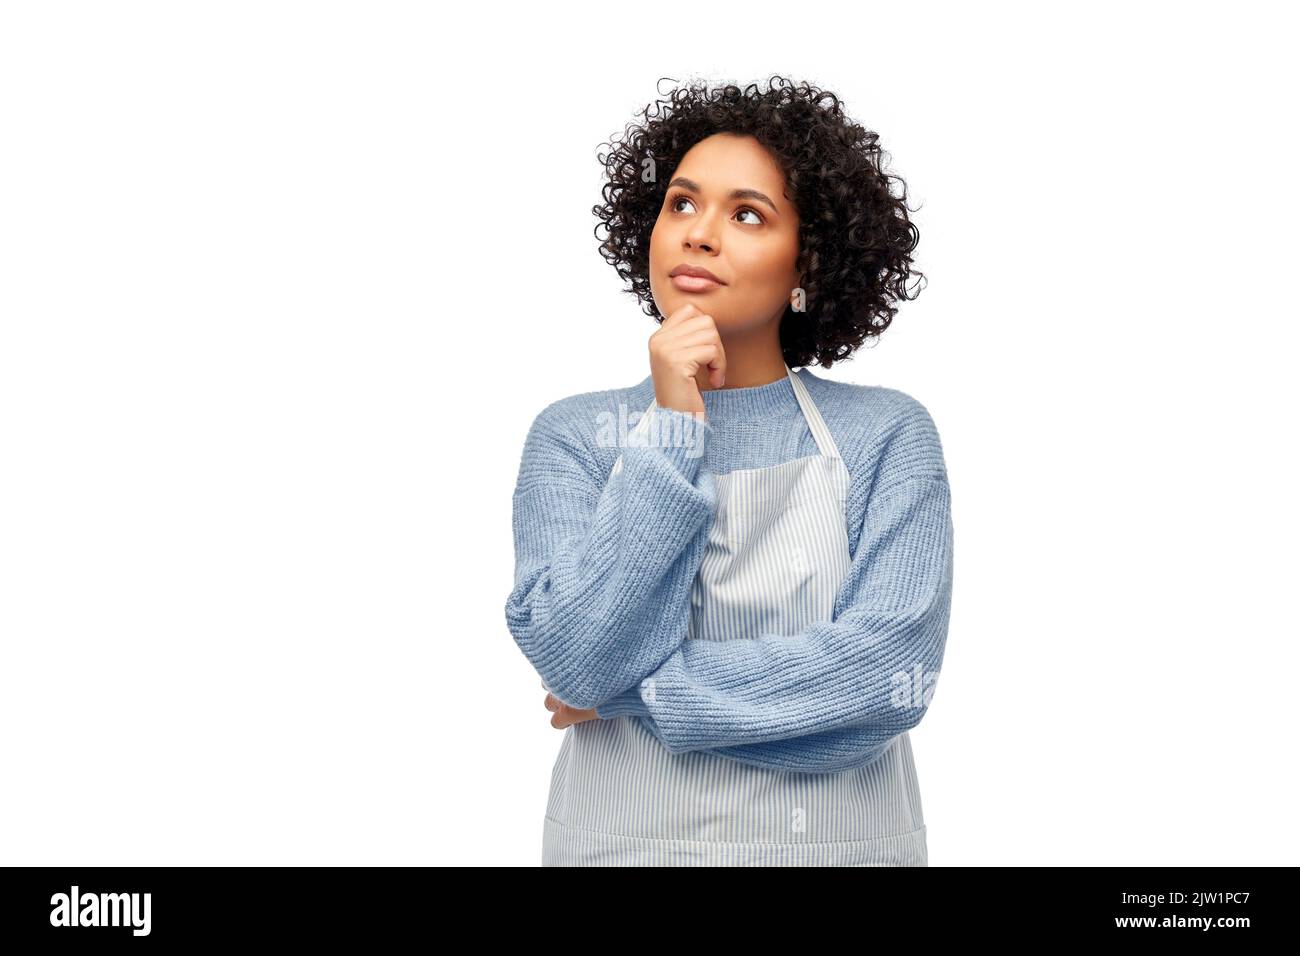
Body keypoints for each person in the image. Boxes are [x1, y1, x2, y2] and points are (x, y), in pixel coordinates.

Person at [505, 76, 953, 866]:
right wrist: (674, 424)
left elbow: (884, 679)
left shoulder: (887, 435)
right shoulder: (574, 438)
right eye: (681, 203)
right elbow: (576, 652)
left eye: (747, 214)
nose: (699, 234)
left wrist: (628, 694)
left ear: (807, 261)